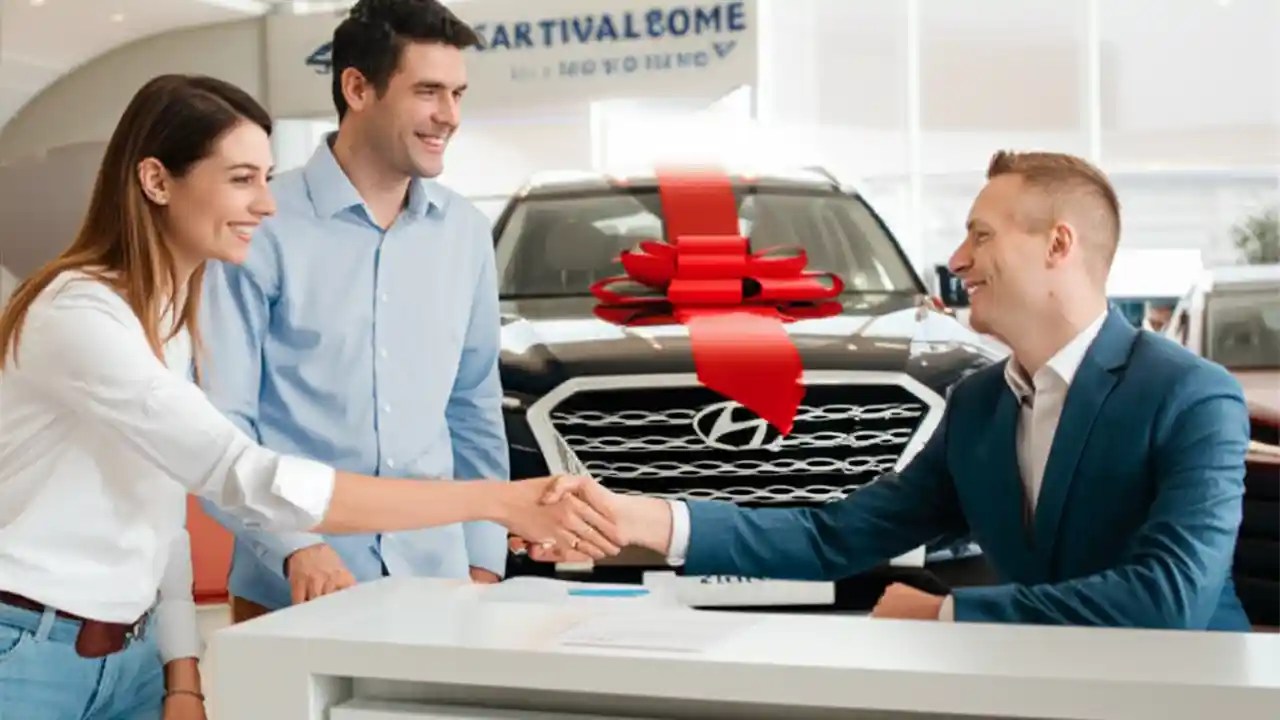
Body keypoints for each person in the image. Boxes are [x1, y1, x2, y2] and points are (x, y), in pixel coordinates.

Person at [0, 74, 617, 720]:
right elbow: (243, 474)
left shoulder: (169, 319)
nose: (267, 206)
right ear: (156, 181)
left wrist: (180, 674)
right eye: (242, 179)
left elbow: (160, 523)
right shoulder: (79, 315)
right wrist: (498, 499)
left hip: (129, 661)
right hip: (28, 655)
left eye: (267, 178)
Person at [528, 150, 1254, 631]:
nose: (957, 260)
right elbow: (832, 536)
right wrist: (641, 520)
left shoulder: (1191, 396)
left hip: (1189, 693)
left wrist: (947, 614)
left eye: (981, 236)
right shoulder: (979, 407)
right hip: (1034, 689)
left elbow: (1168, 602)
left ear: (1057, 246)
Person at [195, 0, 510, 624]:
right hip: (295, 587)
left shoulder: (467, 234)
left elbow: (472, 406)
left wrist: (483, 556)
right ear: (357, 87)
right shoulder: (258, 228)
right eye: (427, 91)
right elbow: (220, 425)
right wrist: (295, 547)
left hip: (440, 583)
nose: (448, 115)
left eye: (457, 93)